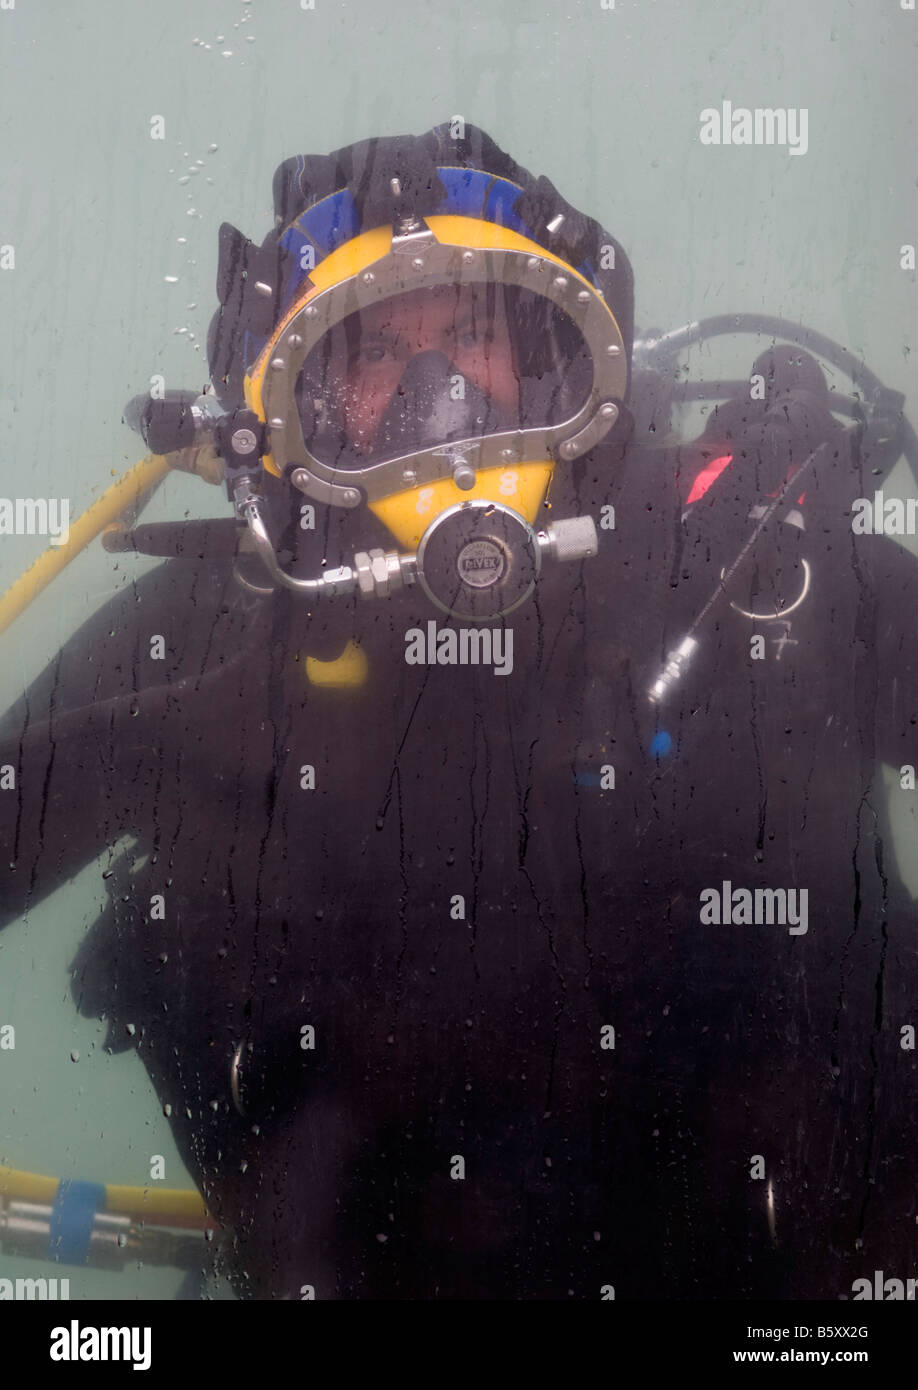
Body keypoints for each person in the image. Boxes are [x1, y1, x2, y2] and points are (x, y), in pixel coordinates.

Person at [1, 120, 916, 1300]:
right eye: (375, 352)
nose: (440, 396)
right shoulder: (214, 627)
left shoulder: (751, 562)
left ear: (557, 349)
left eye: (475, 332)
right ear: (296, 404)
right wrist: (140, 750)